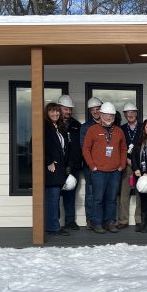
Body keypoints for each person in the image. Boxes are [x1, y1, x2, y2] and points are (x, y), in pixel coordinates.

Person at [82, 101, 127, 234]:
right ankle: (97, 223)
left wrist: (122, 165)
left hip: (115, 172)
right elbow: (85, 149)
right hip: (99, 172)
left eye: (111, 115)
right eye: (106, 115)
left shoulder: (119, 131)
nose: (109, 118)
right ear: (101, 115)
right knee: (98, 199)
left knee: (112, 199)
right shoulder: (92, 130)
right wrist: (92, 166)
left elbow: (123, 149)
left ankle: (110, 222)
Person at [44, 102, 69, 236]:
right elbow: (35, 145)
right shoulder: (44, 127)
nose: (55, 113)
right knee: (52, 199)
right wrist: (48, 161)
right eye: (52, 111)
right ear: (47, 113)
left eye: (57, 111)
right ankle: (53, 227)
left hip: (60, 168)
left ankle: (53, 225)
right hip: (51, 169)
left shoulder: (59, 128)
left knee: (55, 198)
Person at [57, 94, 82, 231]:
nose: (68, 111)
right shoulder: (52, 125)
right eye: (65, 109)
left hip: (73, 167)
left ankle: (70, 221)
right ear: (59, 108)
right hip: (57, 167)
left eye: (70, 109)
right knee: (54, 195)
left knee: (70, 195)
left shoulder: (77, 125)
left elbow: (80, 147)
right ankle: (54, 223)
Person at [117, 102, 142, 229]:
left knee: (140, 193)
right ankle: (123, 220)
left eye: (132, 112)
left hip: (140, 165)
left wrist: (137, 163)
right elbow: (118, 148)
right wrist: (126, 160)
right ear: (125, 115)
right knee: (124, 193)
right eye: (128, 113)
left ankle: (139, 219)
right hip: (126, 164)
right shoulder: (121, 129)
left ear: (136, 113)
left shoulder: (143, 127)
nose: (130, 115)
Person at [79, 97, 102, 230]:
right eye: (92, 110)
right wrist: (93, 164)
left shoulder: (108, 124)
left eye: (97, 109)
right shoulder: (85, 127)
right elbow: (84, 147)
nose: (95, 112)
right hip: (90, 166)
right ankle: (90, 219)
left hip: (105, 166)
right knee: (91, 193)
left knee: (103, 193)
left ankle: (101, 220)